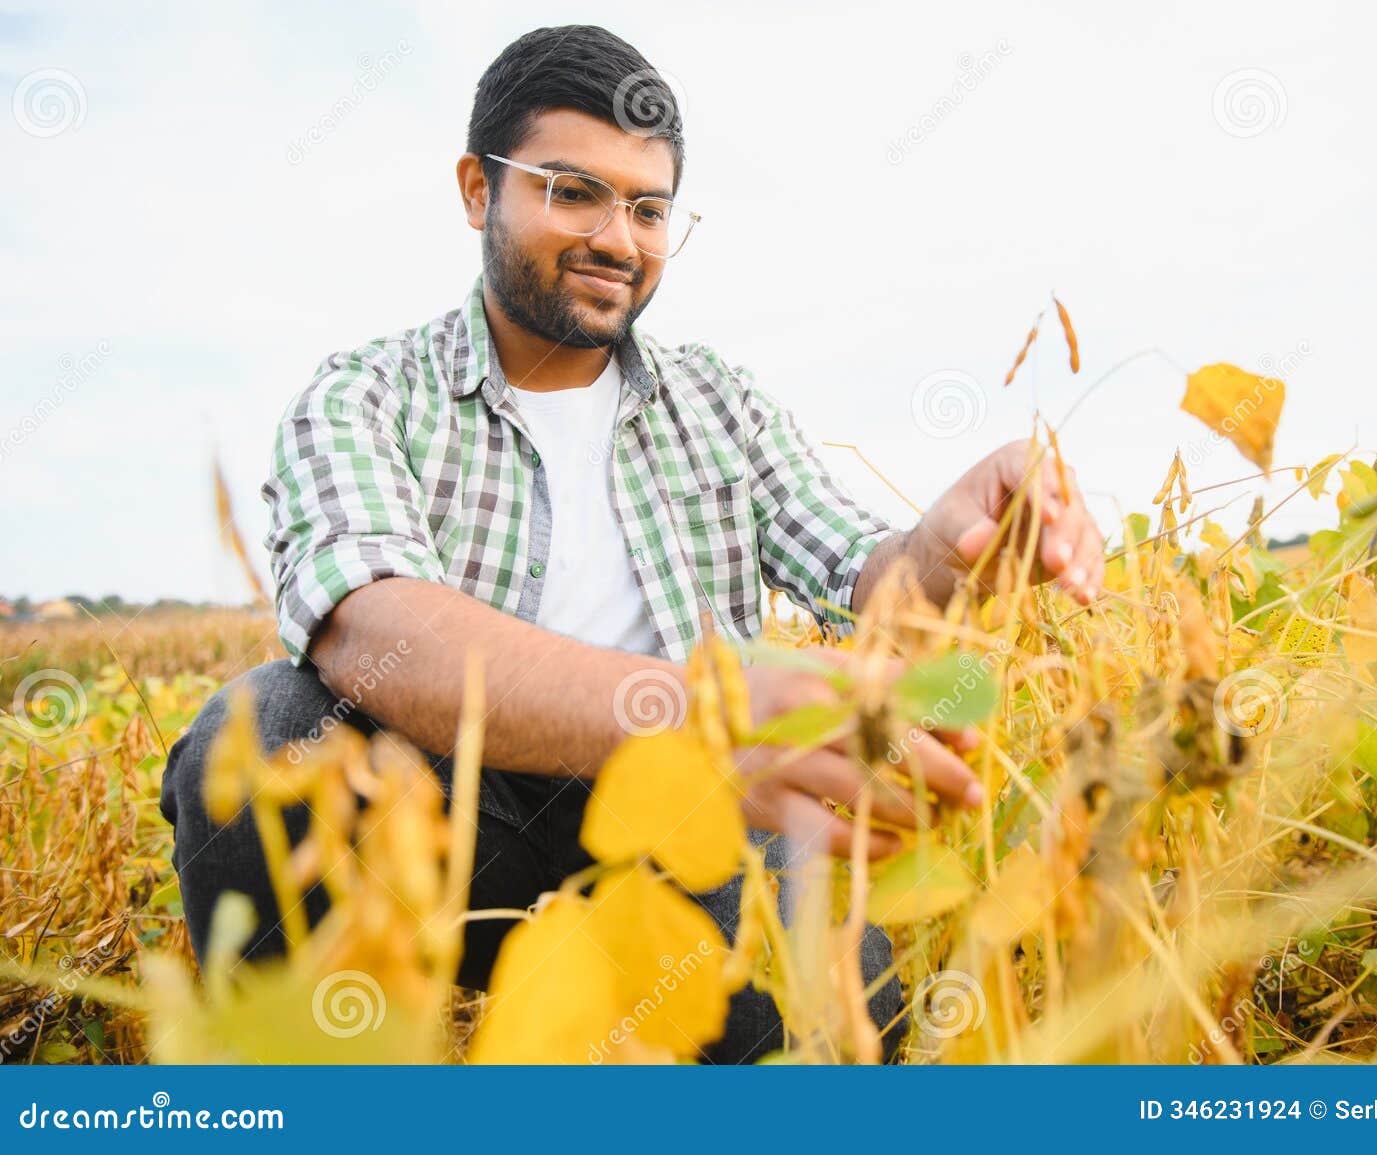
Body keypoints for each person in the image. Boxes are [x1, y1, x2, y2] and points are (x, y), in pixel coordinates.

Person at [159, 24, 1105, 1064]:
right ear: (479, 191)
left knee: (833, 1041)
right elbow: (371, 622)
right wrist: (697, 713)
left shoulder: (719, 402)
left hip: (696, 817)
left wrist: (950, 546)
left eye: (649, 209)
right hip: (450, 835)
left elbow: (864, 581)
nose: (618, 238)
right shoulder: (367, 394)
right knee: (262, 729)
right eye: (572, 192)